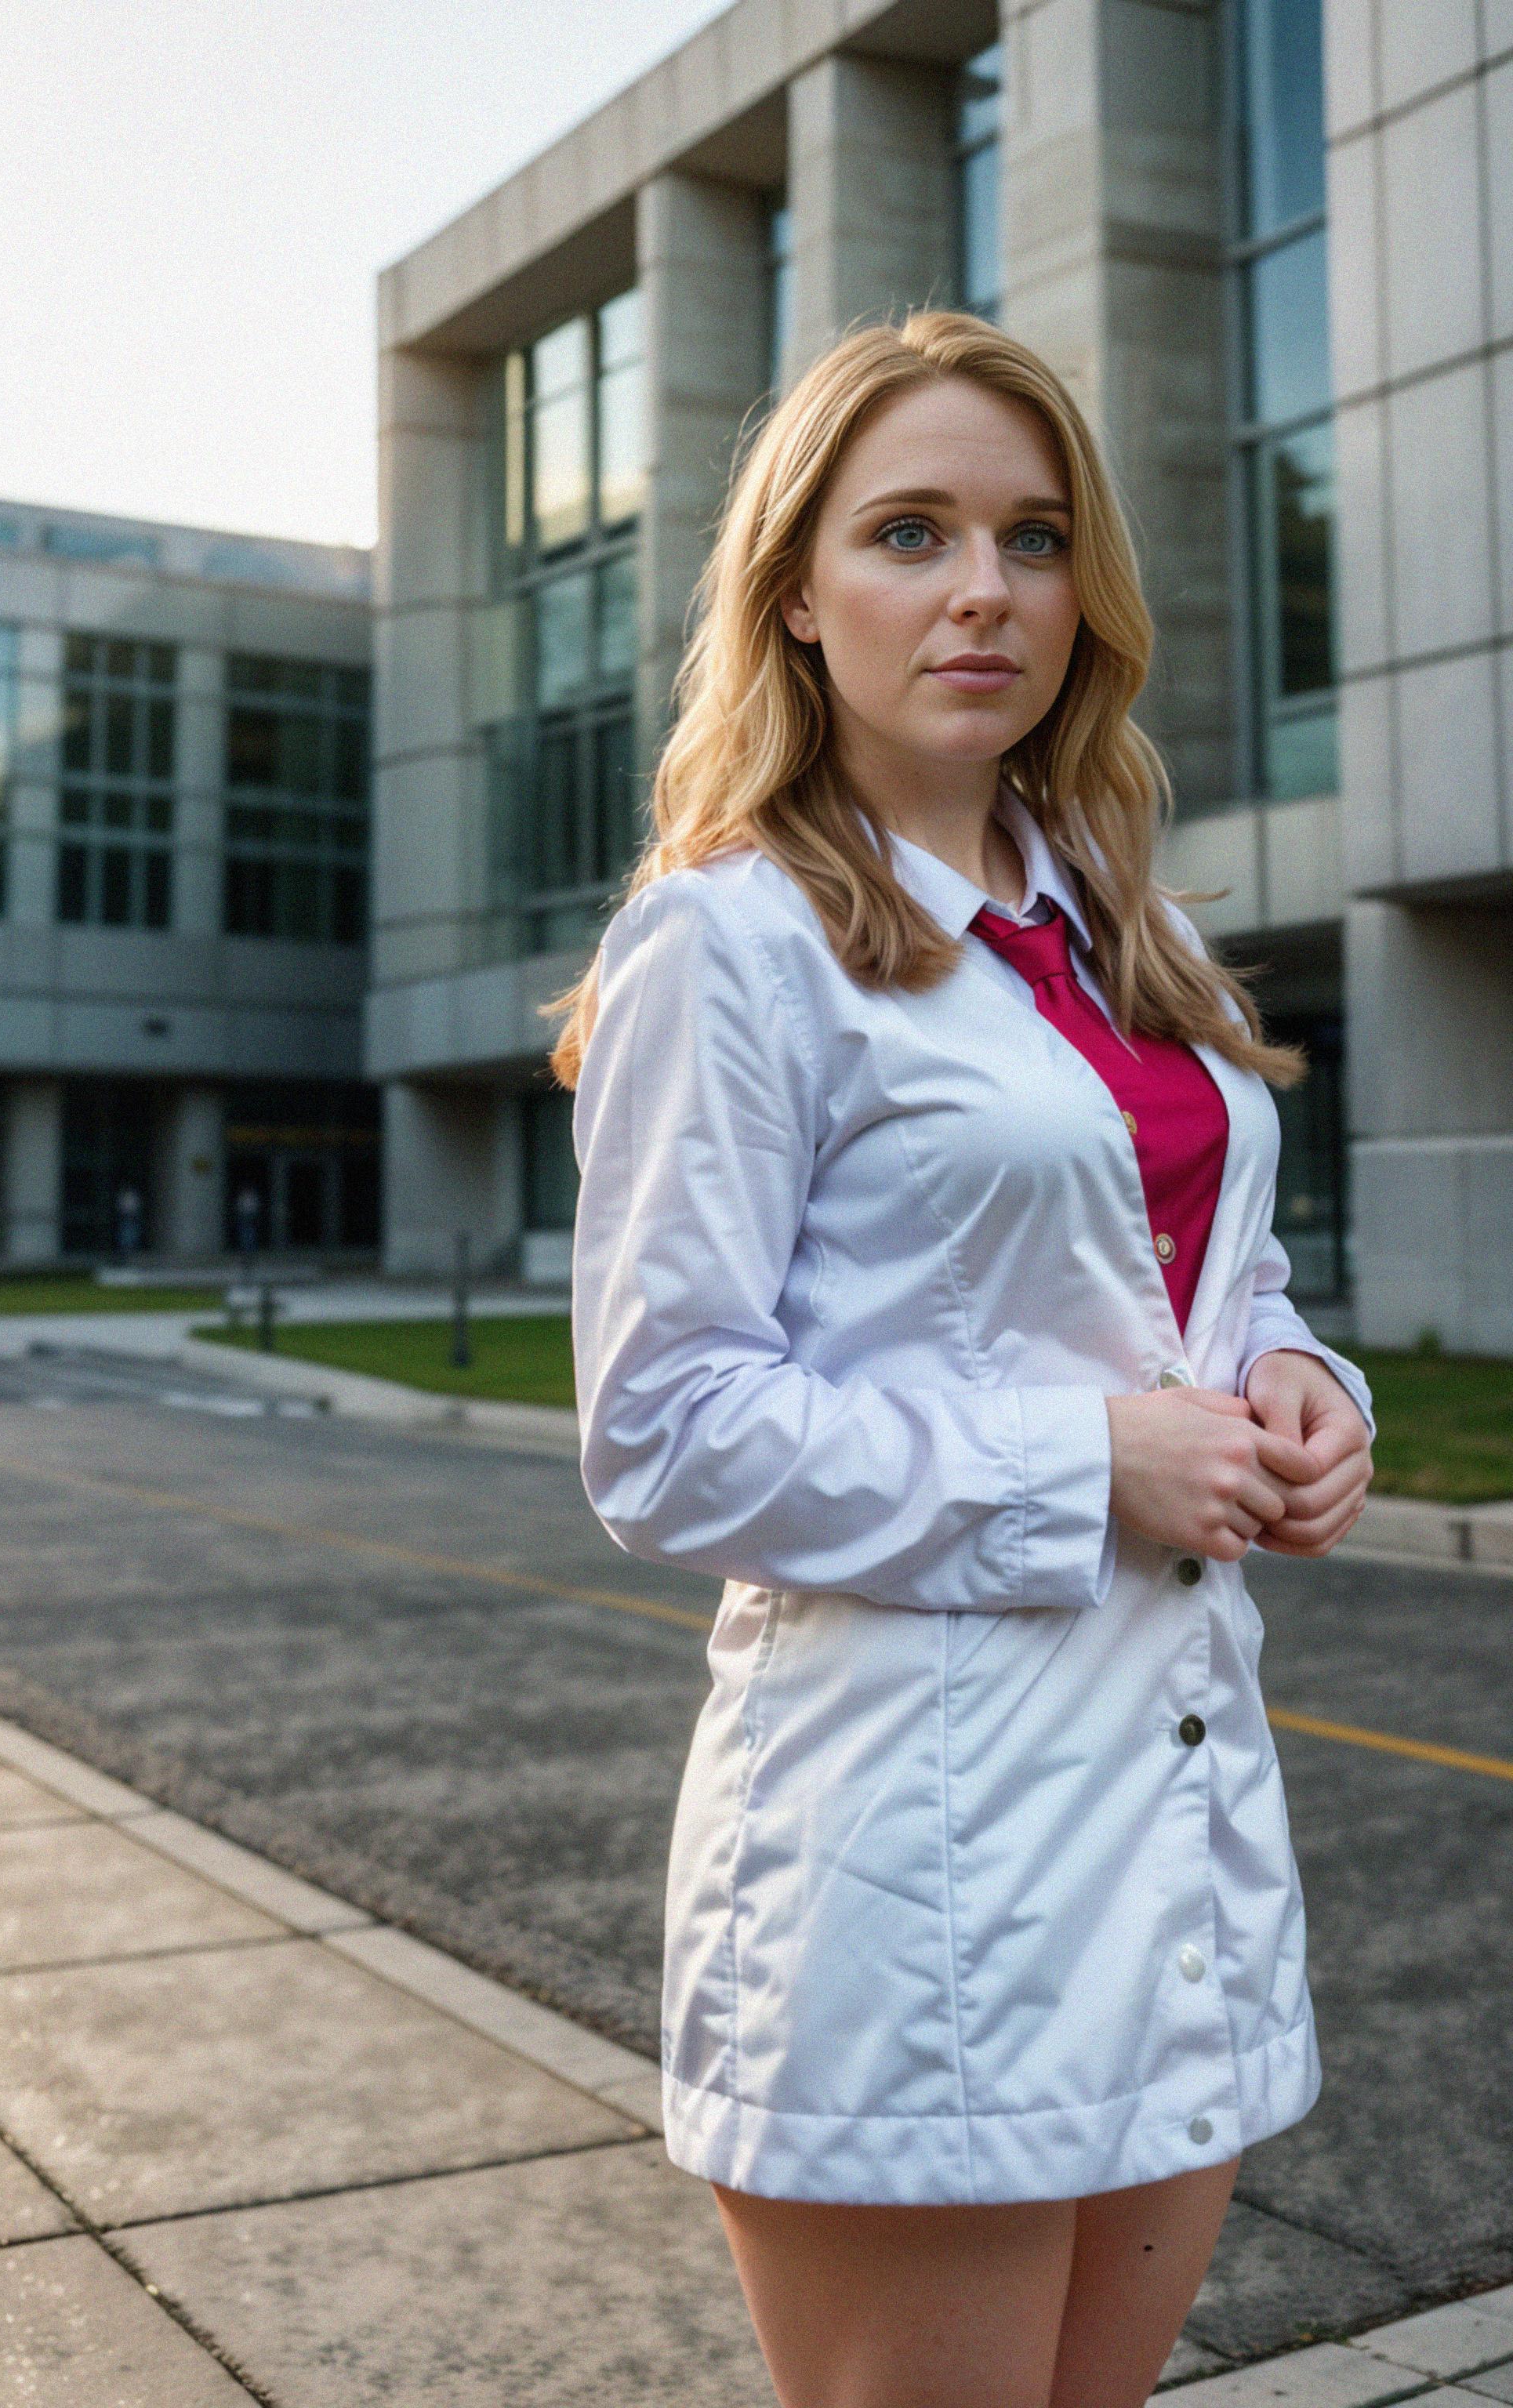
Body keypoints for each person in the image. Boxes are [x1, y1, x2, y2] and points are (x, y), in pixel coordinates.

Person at [554, 313, 1375, 2408]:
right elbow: (665, 1435)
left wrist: (1301, 1385)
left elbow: (1200, 1274)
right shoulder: (729, 943)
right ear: (798, 597)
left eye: (1030, 536)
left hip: (1166, 1817)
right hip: (916, 1873)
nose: (984, 590)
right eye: (909, 532)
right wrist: (1086, 1463)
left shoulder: (1115, 919)